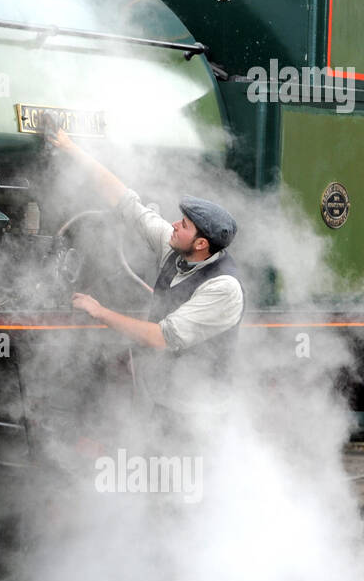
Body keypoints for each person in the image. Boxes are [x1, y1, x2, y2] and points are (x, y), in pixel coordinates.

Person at [48, 128, 244, 421]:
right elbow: (128, 203)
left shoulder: (224, 288)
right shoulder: (176, 249)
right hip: (165, 397)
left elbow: (161, 337)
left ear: (202, 244)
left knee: (181, 467)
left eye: (185, 225)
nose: (175, 225)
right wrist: (72, 149)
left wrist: (100, 312)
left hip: (199, 413)